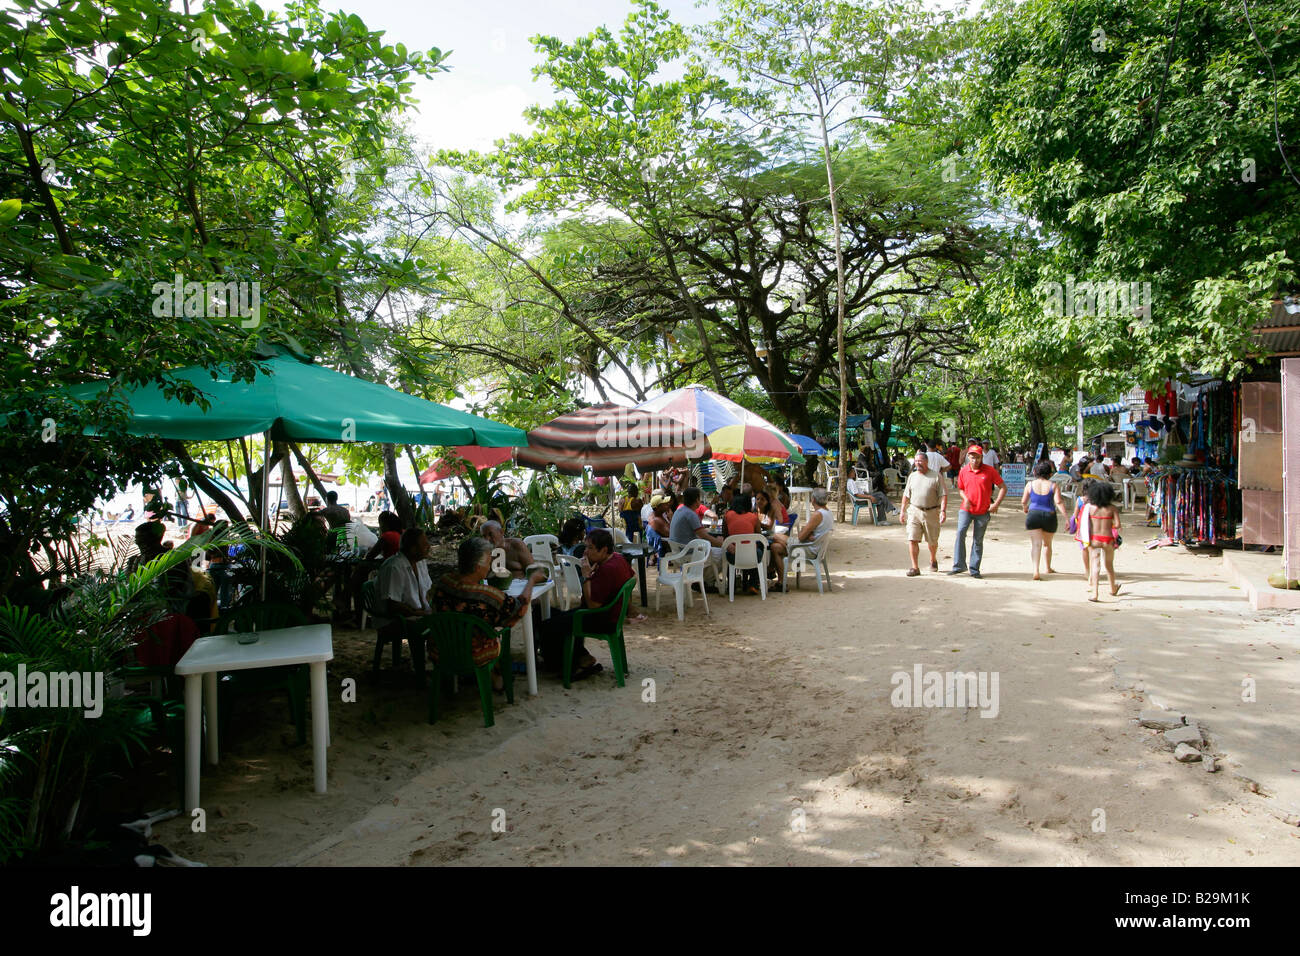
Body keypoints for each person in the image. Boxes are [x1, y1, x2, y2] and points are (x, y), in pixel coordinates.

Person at [429, 537, 547, 692]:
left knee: (478, 630)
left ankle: (490, 677)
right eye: (489, 561)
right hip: (472, 654)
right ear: (478, 566)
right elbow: (520, 607)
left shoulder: (444, 582)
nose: (491, 565)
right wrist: (531, 580)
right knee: (495, 635)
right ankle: (496, 678)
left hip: (439, 650)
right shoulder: (489, 595)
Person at [537, 529, 634, 679]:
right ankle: (582, 657)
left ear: (604, 550)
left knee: (548, 625)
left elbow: (593, 606)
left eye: (590, 548)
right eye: (585, 547)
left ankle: (565, 665)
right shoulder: (618, 559)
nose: (585, 552)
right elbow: (632, 577)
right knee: (547, 613)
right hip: (610, 615)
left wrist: (586, 577)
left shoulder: (608, 569)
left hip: (600, 618)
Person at [374, 528, 433, 669]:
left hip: (416, 614)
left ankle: (444, 669)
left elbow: (427, 591)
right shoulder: (394, 567)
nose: (429, 546)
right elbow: (393, 605)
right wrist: (417, 613)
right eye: (424, 544)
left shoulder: (421, 563)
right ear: (413, 549)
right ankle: (420, 673)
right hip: (391, 619)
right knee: (417, 629)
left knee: (445, 622)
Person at [948, 444, 1006, 579]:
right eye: (972, 457)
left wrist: (996, 504)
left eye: (978, 457)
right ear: (968, 457)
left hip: (983, 511)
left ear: (981, 457)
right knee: (960, 533)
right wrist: (965, 498)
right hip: (966, 509)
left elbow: (1003, 487)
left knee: (978, 540)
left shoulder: (990, 471)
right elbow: (961, 489)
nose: (975, 460)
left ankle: (974, 569)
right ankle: (959, 565)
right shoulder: (963, 471)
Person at [900, 450, 947, 575]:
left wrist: (942, 511)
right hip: (914, 511)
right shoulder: (912, 476)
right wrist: (902, 511)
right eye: (916, 461)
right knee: (912, 539)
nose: (918, 463)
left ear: (927, 461)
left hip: (931, 512)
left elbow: (943, 495)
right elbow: (906, 495)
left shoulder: (936, 476)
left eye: (920, 461)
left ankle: (933, 559)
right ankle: (915, 567)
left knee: (932, 542)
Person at [1021, 459, 1069, 580]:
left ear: (1035, 472)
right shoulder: (1053, 486)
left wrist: (1025, 508)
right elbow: (1058, 502)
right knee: (1047, 544)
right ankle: (1048, 567)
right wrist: (1067, 518)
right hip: (1049, 515)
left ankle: (1035, 570)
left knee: (1036, 544)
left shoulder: (1030, 485)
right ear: (1049, 473)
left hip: (1033, 515)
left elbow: (1023, 501)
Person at [669, 487, 725, 588]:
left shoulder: (680, 510)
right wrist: (722, 544)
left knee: (713, 551)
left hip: (678, 550)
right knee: (722, 554)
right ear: (696, 500)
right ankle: (708, 581)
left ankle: (703, 579)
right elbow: (704, 536)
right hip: (687, 553)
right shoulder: (691, 514)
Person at [1079, 481, 1122, 601]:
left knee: (1095, 565)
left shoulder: (1090, 508)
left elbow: (1084, 524)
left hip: (1094, 539)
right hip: (1108, 540)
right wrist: (1110, 523)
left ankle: (1095, 593)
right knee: (1109, 566)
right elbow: (1117, 525)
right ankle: (1113, 588)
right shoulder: (1112, 508)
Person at [722, 493, 766, 595]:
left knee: (729, 551)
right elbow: (758, 536)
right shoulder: (754, 517)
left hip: (734, 556)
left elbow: (725, 536)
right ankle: (753, 584)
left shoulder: (727, 516)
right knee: (759, 548)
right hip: (752, 557)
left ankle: (731, 585)